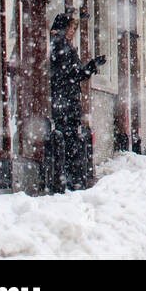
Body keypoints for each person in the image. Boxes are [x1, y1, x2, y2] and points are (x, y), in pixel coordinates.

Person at [48, 12, 106, 191]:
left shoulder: (58, 44)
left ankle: (67, 179)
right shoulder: (62, 45)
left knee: (68, 138)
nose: (73, 32)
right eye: (72, 28)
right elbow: (73, 74)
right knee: (70, 139)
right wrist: (90, 67)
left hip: (63, 100)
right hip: (66, 101)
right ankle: (71, 180)